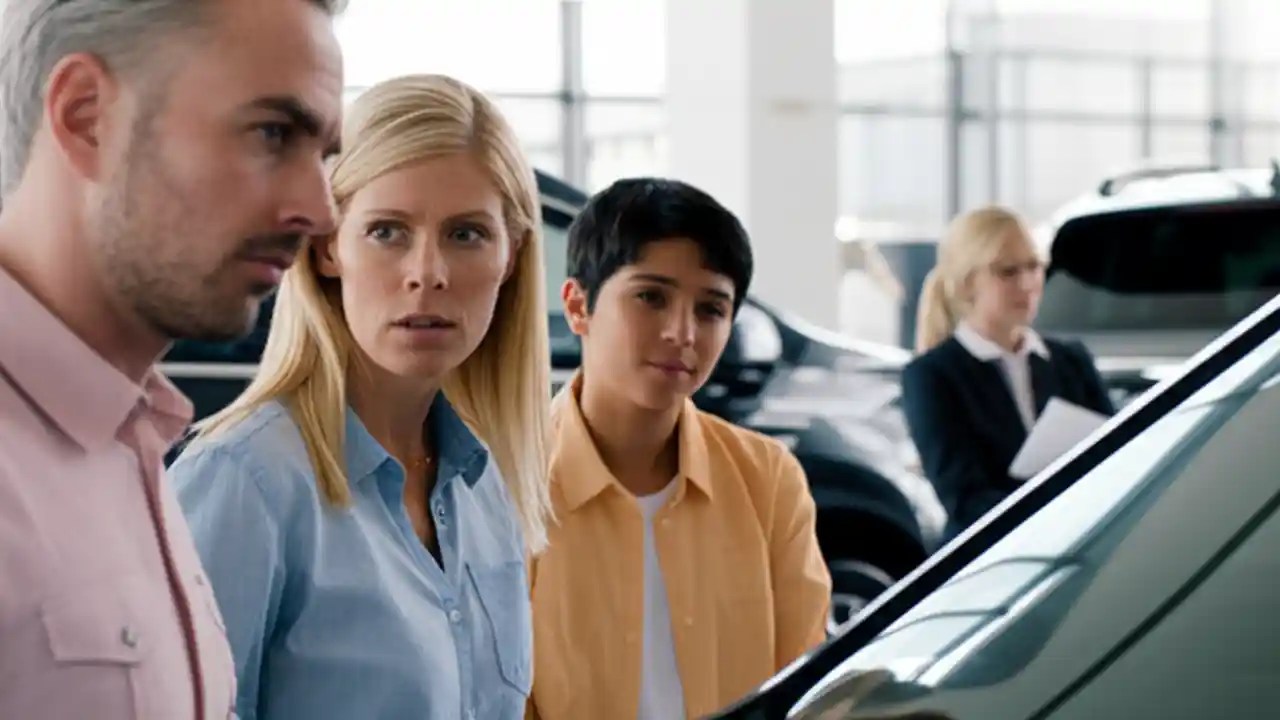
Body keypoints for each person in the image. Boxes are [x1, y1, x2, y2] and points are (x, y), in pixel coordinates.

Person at [168, 74, 553, 720]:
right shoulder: (244, 483)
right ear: (325, 248)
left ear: (510, 257)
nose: (426, 273)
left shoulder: (481, 488)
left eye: (466, 234)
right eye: (387, 231)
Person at [0, 0, 343, 717]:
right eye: (272, 134)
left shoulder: (134, 439)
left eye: (325, 153)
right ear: (87, 115)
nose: (320, 210)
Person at [528, 178, 832, 720]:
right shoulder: (507, 484)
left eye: (711, 309)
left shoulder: (767, 480)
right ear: (578, 306)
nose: (682, 332)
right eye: (651, 297)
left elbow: (805, 688)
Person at [902, 206, 1114, 541]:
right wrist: (1050, 518)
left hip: (1081, 542)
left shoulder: (1071, 361)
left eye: (1034, 266)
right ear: (967, 283)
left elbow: (1116, 455)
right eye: (1008, 272)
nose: (1028, 283)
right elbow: (964, 498)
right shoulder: (932, 376)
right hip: (989, 561)